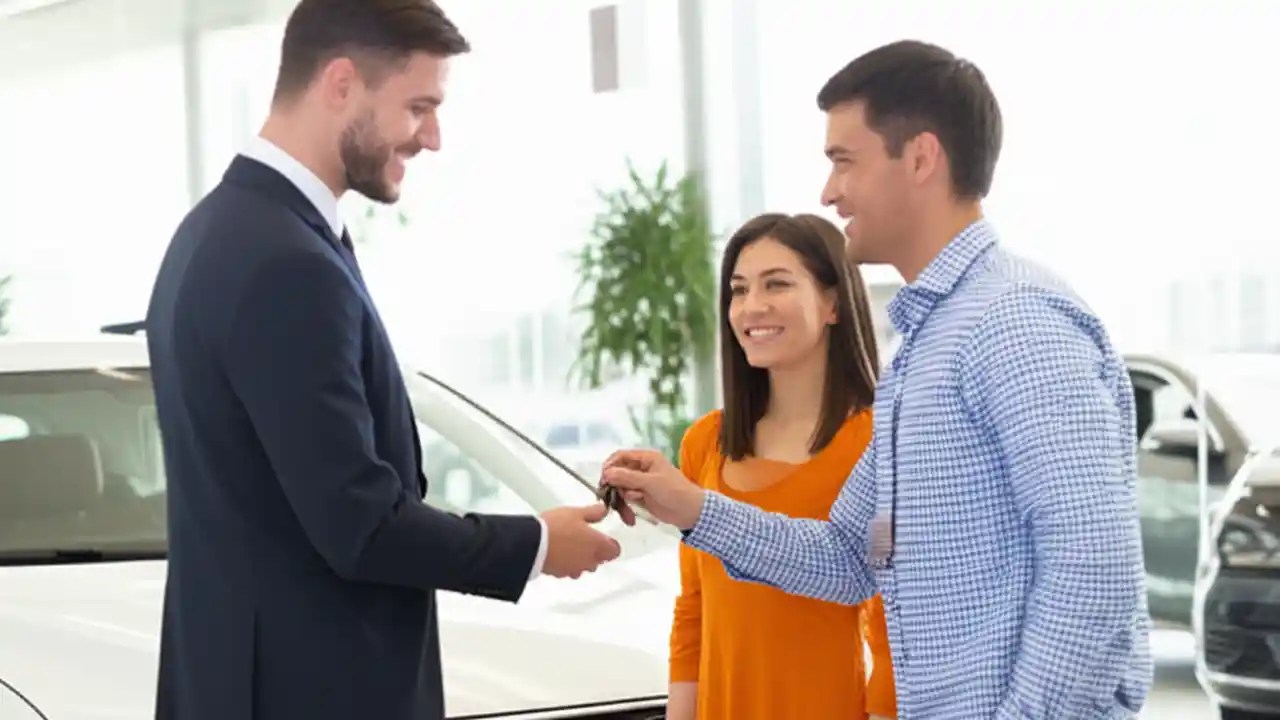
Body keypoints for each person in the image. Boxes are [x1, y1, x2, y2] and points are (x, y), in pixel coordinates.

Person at [603, 40, 1153, 719]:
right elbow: (843, 557)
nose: (829, 192)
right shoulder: (926, 348)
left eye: (843, 162)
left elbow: (1094, 570)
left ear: (920, 158)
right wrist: (690, 506)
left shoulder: (1015, 324)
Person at [145, 2, 620, 719]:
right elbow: (357, 523)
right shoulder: (283, 261)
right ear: (341, 83)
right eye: (418, 106)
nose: (431, 137)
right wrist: (535, 545)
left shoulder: (222, 232)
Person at [667, 212, 897, 720]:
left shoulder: (879, 445)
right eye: (740, 289)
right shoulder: (705, 443)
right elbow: (693, 614)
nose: (753, 306)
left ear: (833, 302)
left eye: (777, 284)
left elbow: (891, 640)